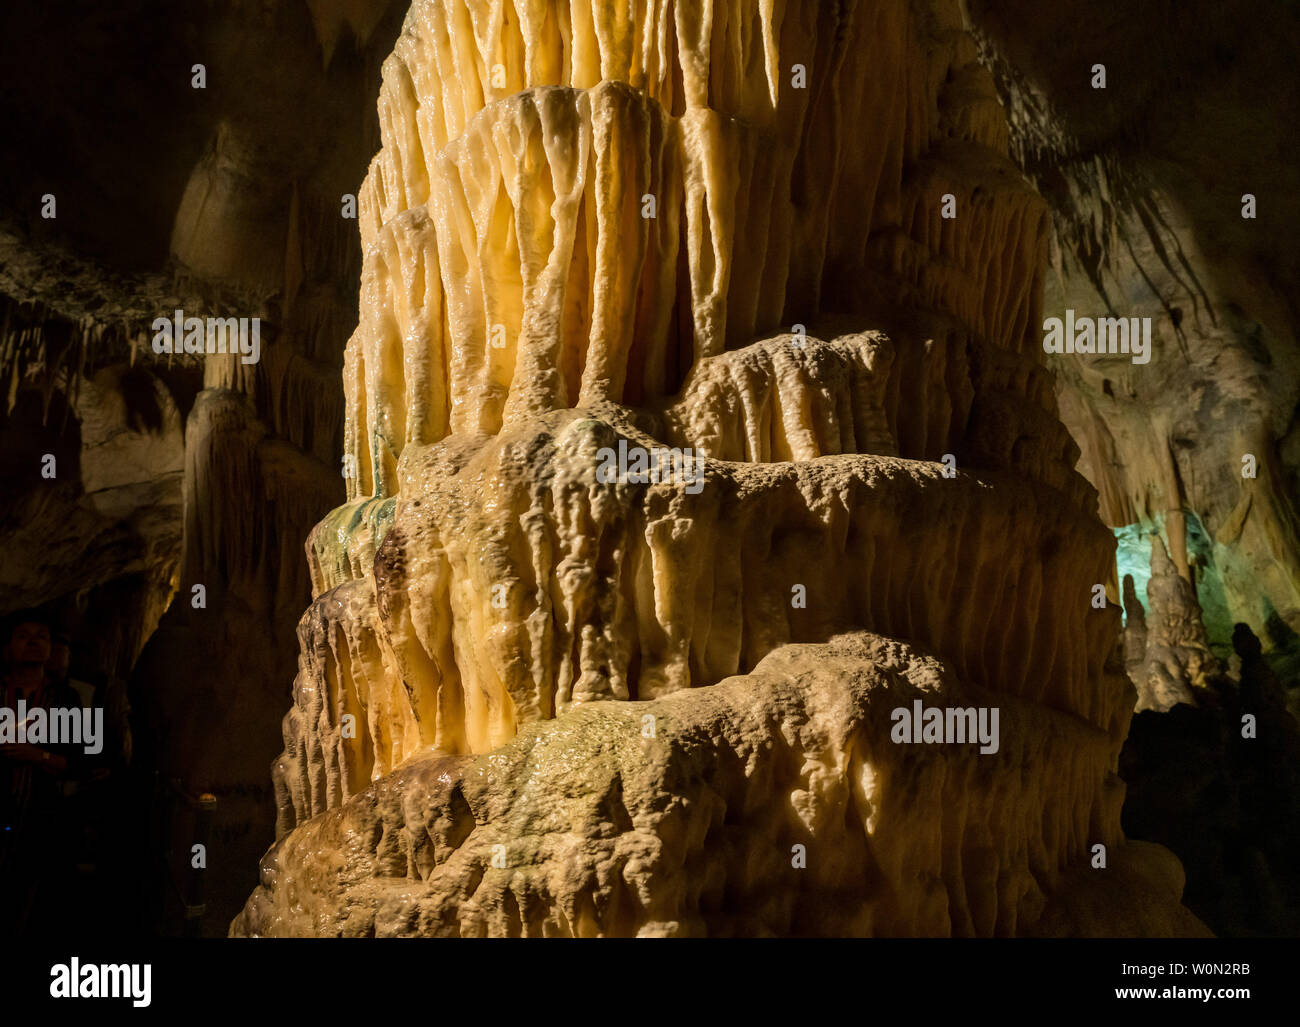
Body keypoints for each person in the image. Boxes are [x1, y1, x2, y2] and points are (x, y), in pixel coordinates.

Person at [0, 610, 85, 937]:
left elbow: (80, 762)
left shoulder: (66, 699)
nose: (34, 642)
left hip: (41, 818)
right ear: (7, 647)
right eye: (24, 636)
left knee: (31, 900)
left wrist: (38, 755)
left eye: (42, 637)